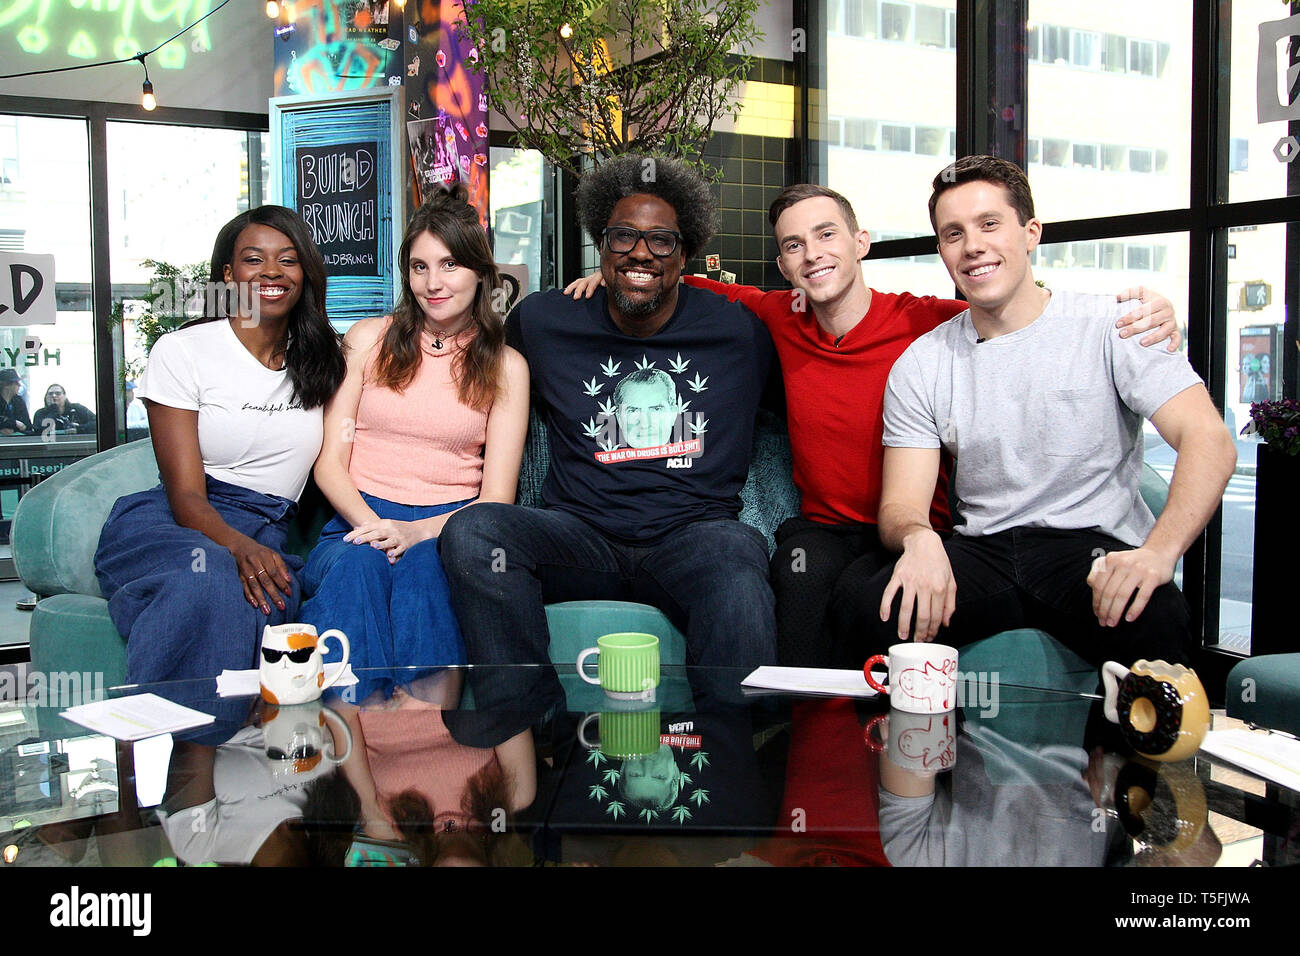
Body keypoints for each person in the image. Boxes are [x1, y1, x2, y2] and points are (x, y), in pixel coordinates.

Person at [567, 183, 1180, 667]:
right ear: (782, 264)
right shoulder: (777, 316)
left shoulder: (927, 323)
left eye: (826, 235)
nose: (812, 254)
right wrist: (611, 277)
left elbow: (1012, 300)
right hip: (825, 530)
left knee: (881, 604)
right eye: (793, 245)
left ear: (861, 242)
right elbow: (678, 281)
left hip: (923, 529)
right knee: (800, 584)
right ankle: (800, 746)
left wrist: (1146, 312)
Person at [840, 155, 1236, 669]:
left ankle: (1118, 726)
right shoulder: (923, 362)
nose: (972, 246)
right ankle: (919, 725)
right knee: (870, 610)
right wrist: (919, 539)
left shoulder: (1115, 326)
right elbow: (901, 505)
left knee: (1154, 616)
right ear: (942, 250)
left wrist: (1158, 554)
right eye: (953, 234)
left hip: (1089, 549)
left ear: (1031, 233)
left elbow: (1209, 440)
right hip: (984, 549)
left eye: (989, 224)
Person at [439, 154, 778, 714]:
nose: (641, 252)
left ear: (685, 255)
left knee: (738, 563)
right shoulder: (544, 322)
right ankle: (531, 723)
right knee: (475, 532)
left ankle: (732, 747)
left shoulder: (738, 333)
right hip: (580, 536)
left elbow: (815, 360)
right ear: (601, 244)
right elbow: (464, 375)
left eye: (661, 241)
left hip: (694, 536)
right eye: (624, 237)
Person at [94, 205, 347, 684]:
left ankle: (218, 726)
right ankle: (173, 725)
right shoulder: (184, 350)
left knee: (262, 596)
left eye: (288, 259)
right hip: (181, 519)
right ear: (228, 274)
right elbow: (185, 495)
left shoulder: (323, 358)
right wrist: (238, 547)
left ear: (305, 274)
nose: (271, 271)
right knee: (208, 577)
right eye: (254, 259)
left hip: (268, 524)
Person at [297, 184, 529, 699]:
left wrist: (417, 533)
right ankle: (354, 723)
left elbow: (497, 498)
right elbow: (329, 463)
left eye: (450, 265)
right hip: (357, 521)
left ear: (479, 272)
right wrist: (378, 530)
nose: (433, 282)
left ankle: (425, 731)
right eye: (419, 267)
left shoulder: (506, 366)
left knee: (428, 573)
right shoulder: (367, 340)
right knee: (358, 566)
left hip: (449, 527)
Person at [0, 368, 31, 435]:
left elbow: (27, 426)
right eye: (16, 383)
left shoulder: (19, 401)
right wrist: (14, 423)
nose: (19, 385)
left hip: (18, 439)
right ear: (6, 385)